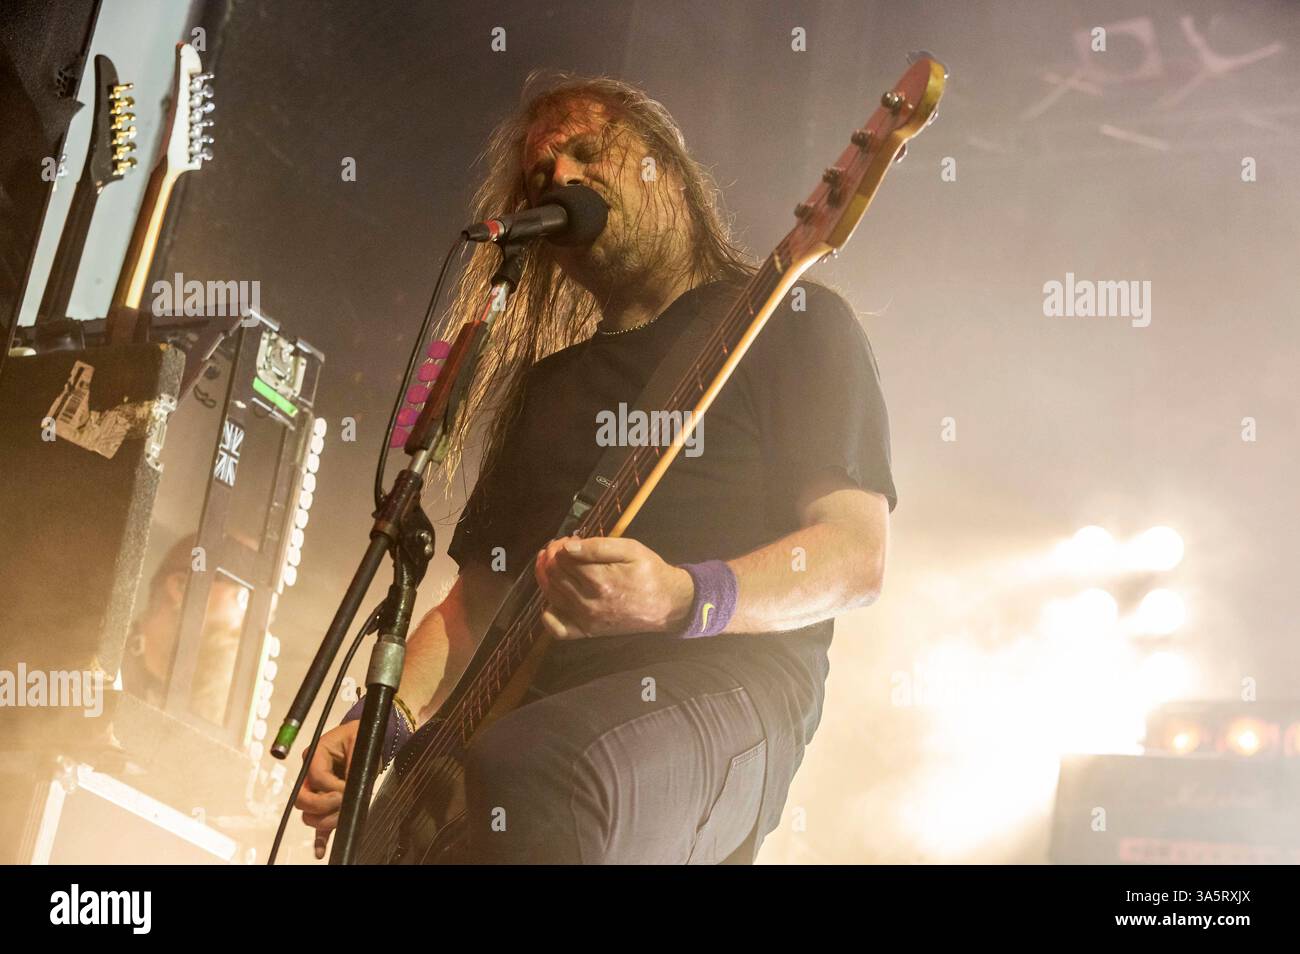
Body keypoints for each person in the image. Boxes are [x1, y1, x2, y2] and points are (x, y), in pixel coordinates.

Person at [296, 72, 896, 863]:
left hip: (728, 690)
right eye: (542, 178)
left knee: (542, 765)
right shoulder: (546, 390)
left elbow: (855, 557)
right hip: (532, 710)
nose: (563, 180)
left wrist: (682, 595)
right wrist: (384, 722)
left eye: (587, 154)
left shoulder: (794, 321)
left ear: (670, 174)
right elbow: (473, 611)